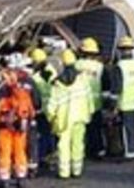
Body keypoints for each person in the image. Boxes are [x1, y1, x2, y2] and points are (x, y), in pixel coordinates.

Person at [47, 49, 93, 180]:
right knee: (78, 144)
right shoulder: (83, 79)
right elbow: (88, 98)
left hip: (63, 120)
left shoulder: (57, 83)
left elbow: (52, 104)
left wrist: (51, 118)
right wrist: (89, 112)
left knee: (63, 146)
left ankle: (64, 172)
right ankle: (77, 170)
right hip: (80, 116)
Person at [0, 65, 35, 187]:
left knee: (4, 153)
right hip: (21, 128)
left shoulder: (0, 96)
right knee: (20, 152)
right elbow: (31, 110)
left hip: (4, 129)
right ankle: (21, 178)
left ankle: (4, 179)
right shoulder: (23, 94)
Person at [108, 36, 134, 160]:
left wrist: (113, 105)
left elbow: (116, 89)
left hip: (125, 102)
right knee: (133, 126)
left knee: (126, 128)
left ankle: (130, 151)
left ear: (120, 50)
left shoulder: (120, 66)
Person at [75, 37, 106, 159]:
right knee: (95, 129)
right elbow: (105, 85)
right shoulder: (100, 67)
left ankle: (82, 151)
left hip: (79, 102)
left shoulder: (76, 65)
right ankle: (97, 150)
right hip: (95, 102)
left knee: (81, 130)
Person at [29, 48, 57, 174]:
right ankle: (49, 157)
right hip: (52, 108)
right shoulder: (53, 72)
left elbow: (34, 94)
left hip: (41, 110)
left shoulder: (36, 77)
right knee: (49, 134)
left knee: (39, 135)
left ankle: (40, 157)